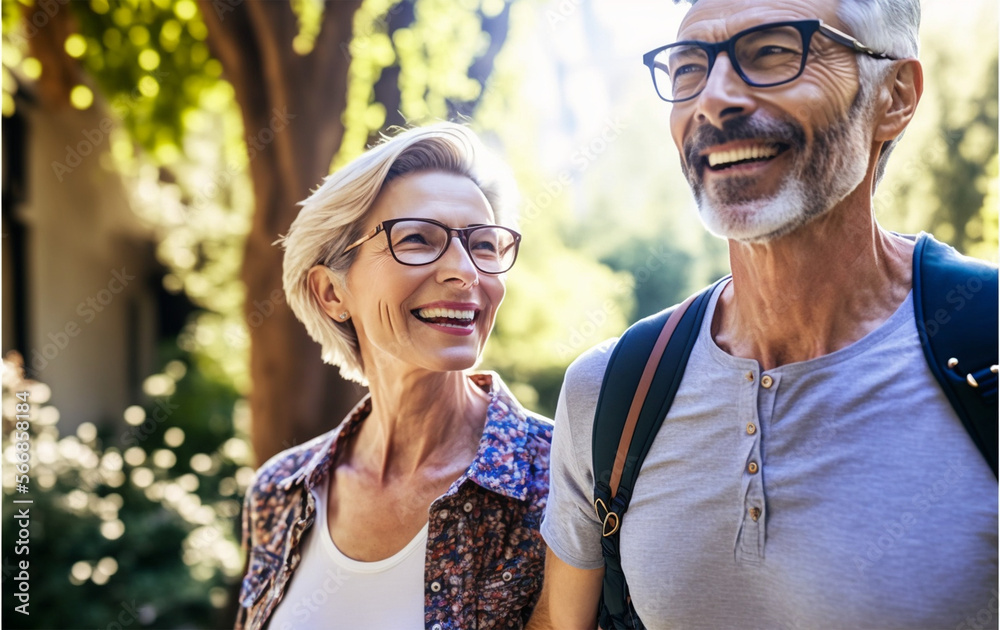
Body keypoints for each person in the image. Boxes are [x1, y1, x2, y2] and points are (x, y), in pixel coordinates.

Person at [531, 0, 998, 629]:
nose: (714, 98)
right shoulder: (611, 391)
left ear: (895, 94)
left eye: (776, 51)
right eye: (691, 66)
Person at [234, 123, 552, 630]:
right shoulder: (278, 491)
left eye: (484, 245)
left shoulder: (559, 484)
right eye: (418, 239)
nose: (466, 271)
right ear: (332, 293)